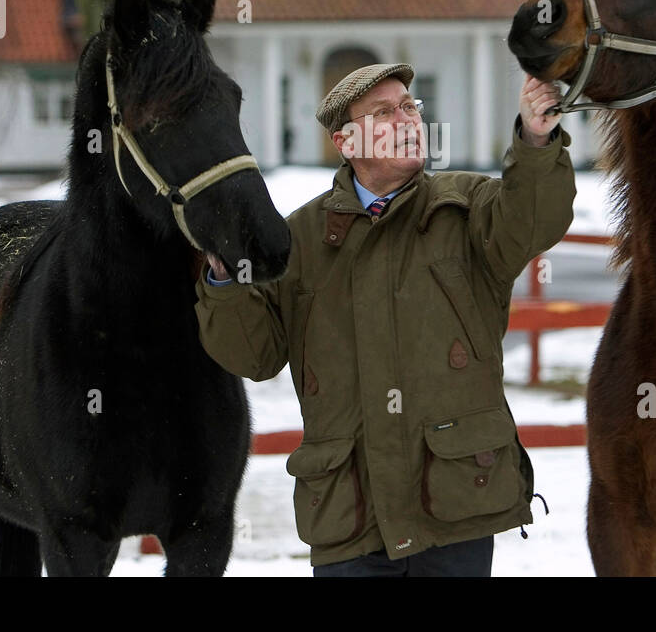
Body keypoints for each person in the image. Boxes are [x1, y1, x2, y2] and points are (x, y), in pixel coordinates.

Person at [195, 63, 576, 576]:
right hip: (350, 520)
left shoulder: (467, 209)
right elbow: (254, 355)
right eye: (383, 113)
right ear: (346, 142)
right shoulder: (299, 239)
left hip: (455, 508)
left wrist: (535, 138)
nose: (407, 120)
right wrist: (222, 278)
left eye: (409, 108)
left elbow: (535, 219)